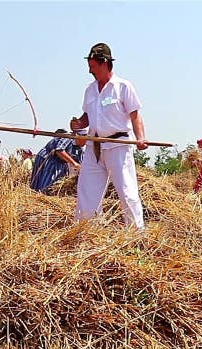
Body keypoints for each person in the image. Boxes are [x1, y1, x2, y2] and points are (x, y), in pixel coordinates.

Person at [70, 43, 148, 230]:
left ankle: (136, 234)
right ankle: (86, 231)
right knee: (87, 191)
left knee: (126, 191)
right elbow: (87, 116)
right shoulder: (89, 90)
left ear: (104, 63)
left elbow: (135, 114)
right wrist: (78, 124)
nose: (90, 71)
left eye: (93, 67)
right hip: (94, 146)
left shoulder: (123, 87)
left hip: (118, 145)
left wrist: (141, 138)